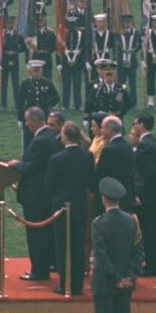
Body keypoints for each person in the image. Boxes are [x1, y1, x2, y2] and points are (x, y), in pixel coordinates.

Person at [86, 177, 144, 313]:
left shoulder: (99, 224)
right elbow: (138, 253)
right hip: (126, 283)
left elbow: (101, 256)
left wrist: (116, 277)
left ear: (104, 198)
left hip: (105, 283)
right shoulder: (132, 221)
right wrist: (129, 276)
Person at [11, 107, 60, 282]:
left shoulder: (40, 140)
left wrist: (17, 165)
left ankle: (39, 270)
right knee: (45, 234)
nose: (26, 124)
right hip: (44, 194)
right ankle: (47, 264)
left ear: (36, 120)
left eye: (27, 120)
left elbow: (33, 167)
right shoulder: (49, 137)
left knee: (36, 235)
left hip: (36, 196)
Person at [45, 120, 94, 297]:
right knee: (78, 243)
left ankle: (65, 283)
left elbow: (50, 184)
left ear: (64, 137)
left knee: (62, 243)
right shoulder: (87, 156)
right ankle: (78, 284)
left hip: (61, 204)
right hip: (80, 203)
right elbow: (90, 180)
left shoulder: (57, 158)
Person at [132, 112, 156, 277]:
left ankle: (151, 266)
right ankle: (153, 263)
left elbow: (145, 174)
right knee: (153, 230)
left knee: (148, 231)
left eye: (135, 124)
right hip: (155, 195)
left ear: (142, 125)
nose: (133, 127)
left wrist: (137, 194)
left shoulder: (143, 146)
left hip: (146, 197)